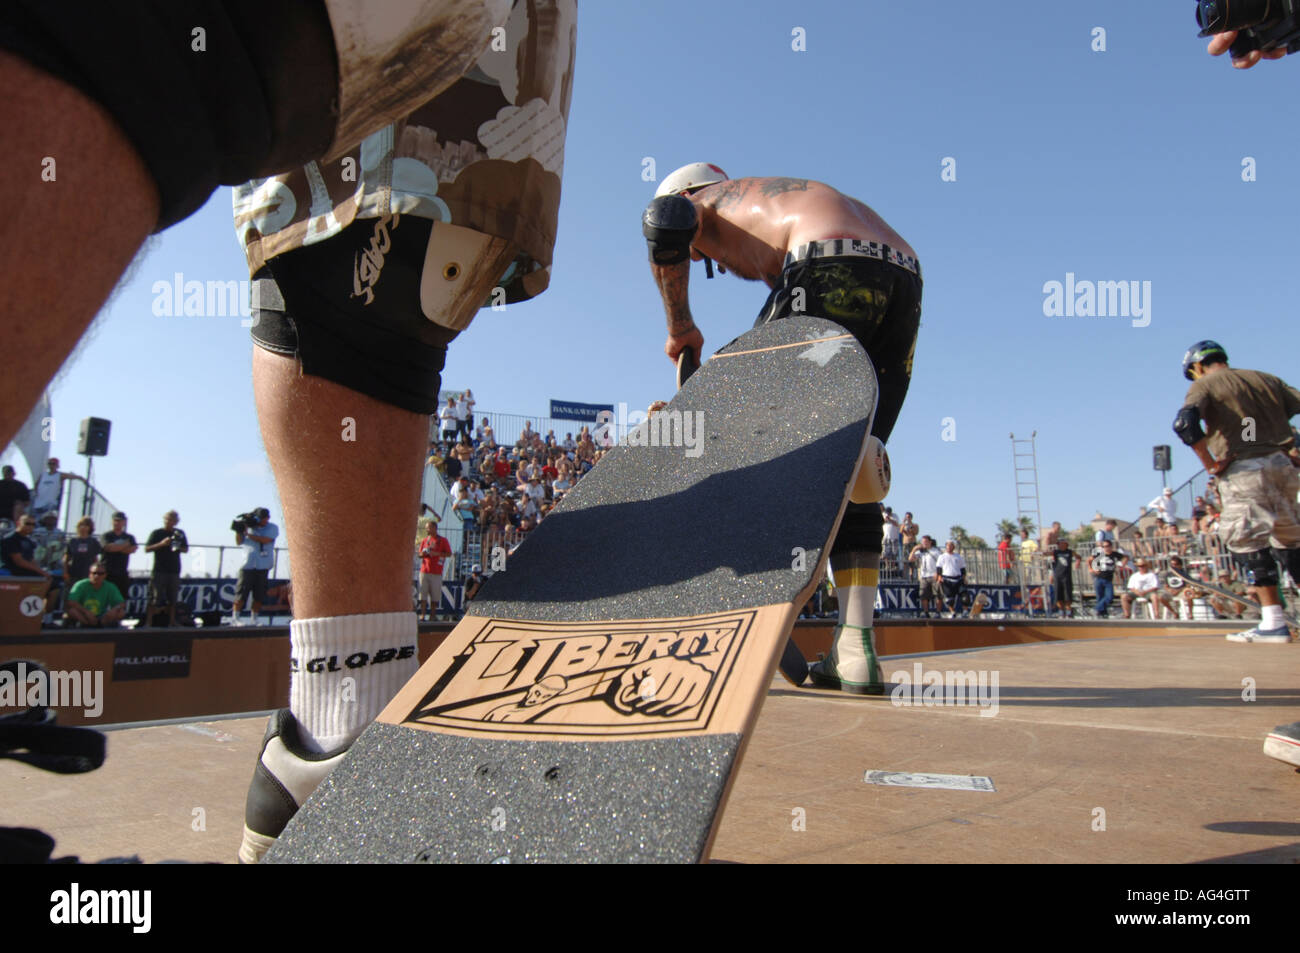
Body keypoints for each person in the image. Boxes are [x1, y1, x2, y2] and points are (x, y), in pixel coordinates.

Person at [646, 166, 921, 694]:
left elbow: (664, 220)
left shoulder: (703, 201)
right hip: (904, 281)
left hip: (828, 263)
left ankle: (740, 611)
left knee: (755, 438)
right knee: (857, 467)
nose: (707, 263)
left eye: (698, 257)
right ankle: (855, 651)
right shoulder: (782, 201)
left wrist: (680, 326)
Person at [1172, 341, 1298, 642]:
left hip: (1245, 470)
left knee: (1246, 542)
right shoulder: (1267, 379)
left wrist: (1211, 464)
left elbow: (1184, 424)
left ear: (1197, 366)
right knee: (1291, 542)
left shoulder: (1206, 384)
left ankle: (1273, 623)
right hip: (1284, 468)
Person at [232, 508, 278, 625]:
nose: (266, 519)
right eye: (263, 518)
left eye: (267, 517)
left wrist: (248, 534)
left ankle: (254, 618)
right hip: (248, 565)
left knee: (259, 594)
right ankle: (235, 618)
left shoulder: (272, 527)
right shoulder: (247, 527)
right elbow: (239, 542)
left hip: (263, 565)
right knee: (242, 593)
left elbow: (266, 540)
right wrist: (239, 530)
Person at [144, 510, 188, 627]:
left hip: (174, 570)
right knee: (154, 598)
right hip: (159, 570)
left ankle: (171, 621)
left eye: (173, 520)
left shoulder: (180, 533)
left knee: (172, 599)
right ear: (164, 519)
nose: (170, 522)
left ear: (176, 521)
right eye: (168, 519)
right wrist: (162, 544)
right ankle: (148, 622)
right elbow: (147, 549)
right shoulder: (157, 533)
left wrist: (176, 546)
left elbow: (185, 549)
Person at [64, 561, 125, 629]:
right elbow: (71, 602)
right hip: (84, 615)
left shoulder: (110, 586)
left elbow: (121, 603)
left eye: (100, 574)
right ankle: (85, 625)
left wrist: (114, 609)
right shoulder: (80, 584)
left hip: (102, 616)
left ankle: (102, 626)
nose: (96, 576)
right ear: (89, 574)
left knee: (121, 612)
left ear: (105, 575)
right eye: (94, 573)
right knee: (72, 611)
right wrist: (86, 612)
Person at [416, 518, 453, 623]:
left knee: (435, 596)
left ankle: (433, 616)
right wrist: (423, 554)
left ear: (434, 528)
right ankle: (422, 616)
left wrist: (437, 554)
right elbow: (419, 554)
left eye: (428, 528)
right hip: (424, 571)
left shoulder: (442, 540)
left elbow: (449, 554)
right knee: (423, 594)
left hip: (436, 572)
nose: (427, 530)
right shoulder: (425, 541)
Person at [99, 512, 138, 609]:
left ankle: (117, 619)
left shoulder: (129, 537)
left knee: (120, 599)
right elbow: (108, 548)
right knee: (104, 597)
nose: (117, 523)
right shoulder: (106, 536)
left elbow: (132, 549)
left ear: (124, 522)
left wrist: (117, 547)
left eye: (120, 521)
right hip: (106, 572)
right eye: (115, 520)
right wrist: (124, 546)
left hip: (121, 572)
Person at [1088, 538, 1127, 618]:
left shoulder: (1114, 554)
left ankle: (1096, 609)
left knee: (1109, 597)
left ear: (1111, 546)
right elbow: (1089, 560)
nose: (1106, 548)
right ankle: (1102, 613)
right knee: (1100, 597)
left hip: (1108, 579)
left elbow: (1125, 558)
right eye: (1104, 546)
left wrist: (1121, 565)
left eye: (1107, 546)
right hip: (1098, 578)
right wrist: (1091, 569)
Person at [910, 536, 943, 620]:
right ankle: (926, 612)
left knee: (937, 594)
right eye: (923, 542)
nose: (924, 543)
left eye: (926, 542)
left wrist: (938, 574)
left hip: (934, 575)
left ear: (930, 542)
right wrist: (914, 549)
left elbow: (941, 563)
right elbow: (911, 559)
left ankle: (938, 612)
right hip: (924, 576)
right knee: (923, 595)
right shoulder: (921, 552)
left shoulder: (936, 551)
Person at [62, 516, 101, 587]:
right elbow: (66, 558)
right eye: (81, 525)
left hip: (88, 574)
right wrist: (65, 572)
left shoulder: (93, 542)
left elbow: (96, 559)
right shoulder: (72, 541)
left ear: (90, 527)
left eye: (86, 525)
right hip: (73, 573)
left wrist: (96, 573)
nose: (83, 527)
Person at [1047, 536, 1079, 617]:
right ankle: (1061, 611)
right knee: (1058, 595)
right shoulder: (1056, 552)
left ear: (1066, 544)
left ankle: (1068, 611)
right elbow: (1045, 553)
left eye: (1062, 543)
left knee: (1068, 595)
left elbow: (1078, 557)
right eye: (1059, 544)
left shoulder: (1070, 552)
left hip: (1067, 576)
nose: (1060, 545)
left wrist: (1077, 563)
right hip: (1057, 576)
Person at [935, 540, 967, 618]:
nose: (949, 547)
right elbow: (939, 568)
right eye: (948, 545)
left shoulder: (958, 556)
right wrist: (939, 577)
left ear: (953, 547)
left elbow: (962, 568)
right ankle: (952, 612)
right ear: (946, 546)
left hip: (958, 579)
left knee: (964, 596)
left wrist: (964, 578)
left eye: (951, 545)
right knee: (950, 599)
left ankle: (965, 612)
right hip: (947, 579)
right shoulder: (942, 556)